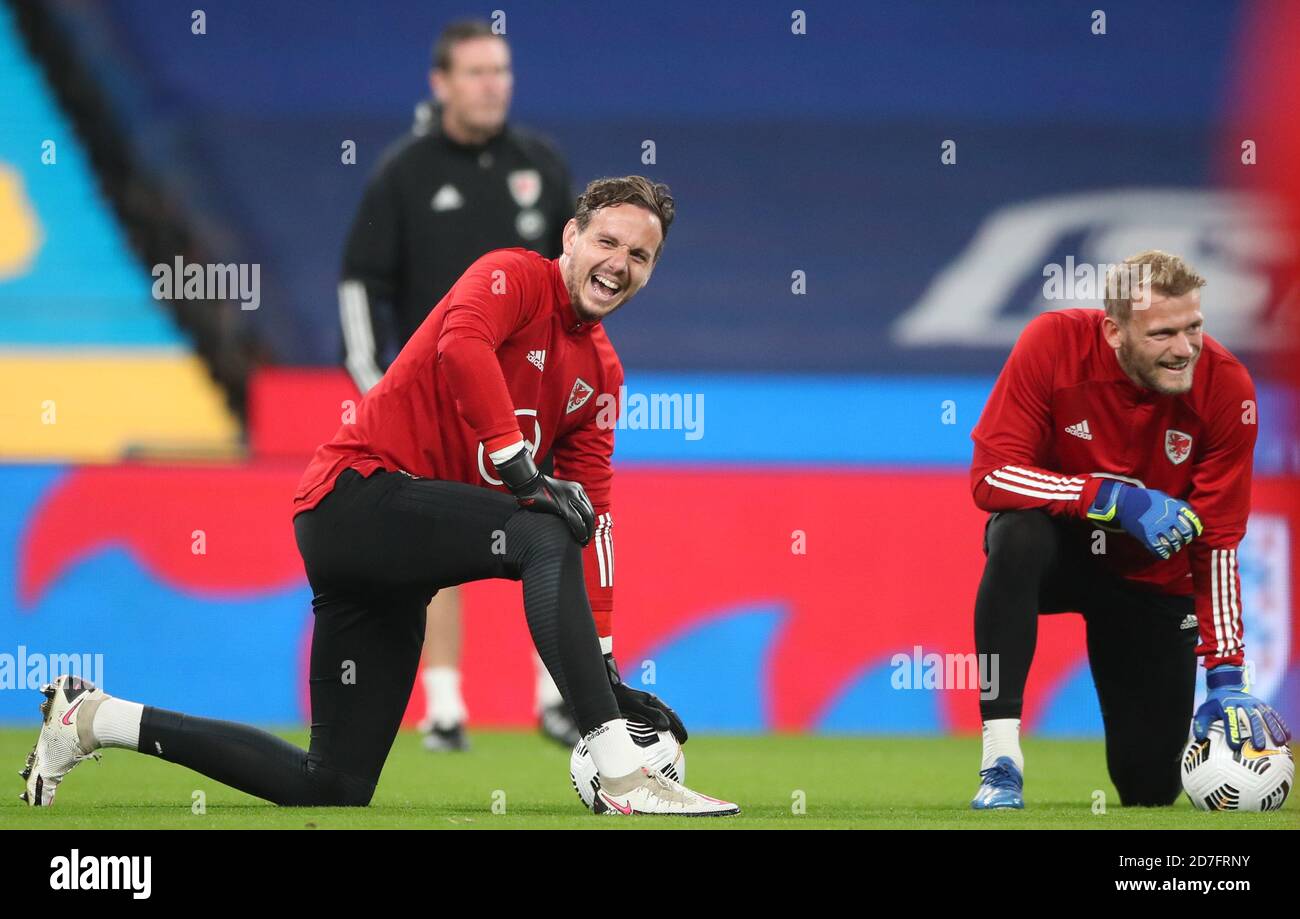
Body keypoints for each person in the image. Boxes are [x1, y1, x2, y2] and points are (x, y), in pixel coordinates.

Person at [21, 176, 740, 817]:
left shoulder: (601, 375)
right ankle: (621, 770)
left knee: (331, 785)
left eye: (639, 256)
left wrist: (606, 662)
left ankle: (93, 718)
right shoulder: (512, 276)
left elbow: (595, 514)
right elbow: (463, 349)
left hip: (393, 562)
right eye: (607, 241)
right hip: (352, 500)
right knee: (540, 530)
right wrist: (522, 470)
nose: (618, 264)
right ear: (570, 237)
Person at [968, 249, 1290, 809]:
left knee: (1149, 789)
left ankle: (1151, 770)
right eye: (1163, 333)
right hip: (1060, 554)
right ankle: (1001, 760)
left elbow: (1215, 543)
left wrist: (1227, 676)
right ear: (1114, 332)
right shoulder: (1052, 343)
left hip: (1151, 582)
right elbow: (992, 476)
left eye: (1194, 327)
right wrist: (1108, 498)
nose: (1184, 349)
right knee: (1016, 534)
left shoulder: (1226, 388)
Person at [339, 19, 576, 751]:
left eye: (501, 70)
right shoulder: (404, 172)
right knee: (432, 547)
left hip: (529, 392)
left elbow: (572, 283)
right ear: (440, 83)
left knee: (553, 527)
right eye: (476, 72)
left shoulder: (541, 162)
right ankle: (444, 708)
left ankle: (555, 698)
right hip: (437, 395)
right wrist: (374, 377)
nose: (493, 84)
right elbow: (359, 280)